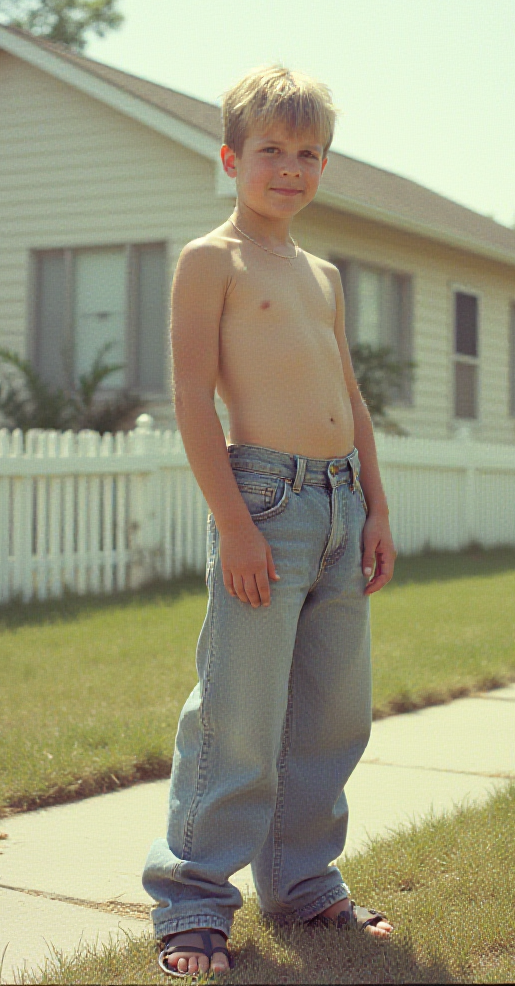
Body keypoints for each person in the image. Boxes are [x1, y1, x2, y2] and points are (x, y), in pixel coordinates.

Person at [142, 64, 398, 978]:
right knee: (238, 710)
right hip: (267, 501)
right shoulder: (212, 259)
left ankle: (303, 884)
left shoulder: (323, 273)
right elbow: (188, 398)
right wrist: (236, 525)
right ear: (230, 158)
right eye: (271, 151)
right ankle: (193, 900)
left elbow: (350, 395)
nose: (290, 168)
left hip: (338, 502)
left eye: (308, 153)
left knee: (330, 711)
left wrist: (373, 506)